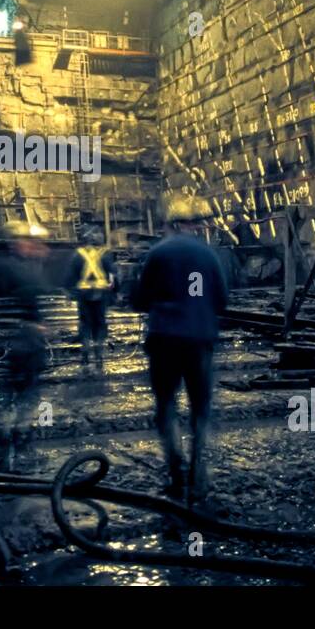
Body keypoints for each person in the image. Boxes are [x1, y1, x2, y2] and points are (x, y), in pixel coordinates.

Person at [130, 196, 229, 504]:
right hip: (200, 340)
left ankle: (176, 470)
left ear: (172, 225)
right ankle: (198, 474)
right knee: (200, 409)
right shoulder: (210, 255)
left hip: (164, 339)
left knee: (167, 405)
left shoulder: (157, 253)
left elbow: (141, 299)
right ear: (194, 226)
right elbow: (222, 300)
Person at [0, 220, 50, 473]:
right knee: (27, 401)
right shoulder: (20, 270)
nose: (32, 245)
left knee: (4, 402)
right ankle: (22, 452)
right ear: (13, 243)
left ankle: (1, 454)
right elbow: (29, 307)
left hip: (4, 350)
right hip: (23, 351)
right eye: (27, 241)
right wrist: (35, 328)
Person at [64, 225, 117, 368]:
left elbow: (70, 277)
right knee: (100, 323)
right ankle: (99, 352)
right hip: (101, 293)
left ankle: (85, 350)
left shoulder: (78, 254)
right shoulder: (106, 254)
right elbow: (113, 275)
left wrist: (70, 294)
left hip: (84, 294)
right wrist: (114, 290)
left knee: (85, 322)